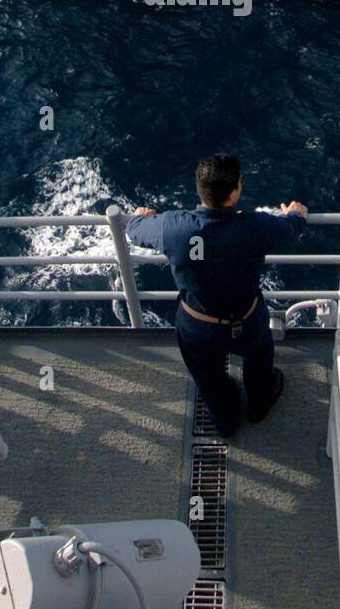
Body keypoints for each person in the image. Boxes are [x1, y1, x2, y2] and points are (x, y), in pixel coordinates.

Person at [126, 154, 308, 437]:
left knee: (209, 378)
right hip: (246, 321)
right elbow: (290, 229)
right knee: (259, 363)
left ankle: (226, 422)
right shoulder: (255, 226)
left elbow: (134, 230)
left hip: (197, 325)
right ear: (235, 191)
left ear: (200, 190)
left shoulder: (174, 227)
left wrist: (141, 217)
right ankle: (259, 405)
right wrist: (295, 213)